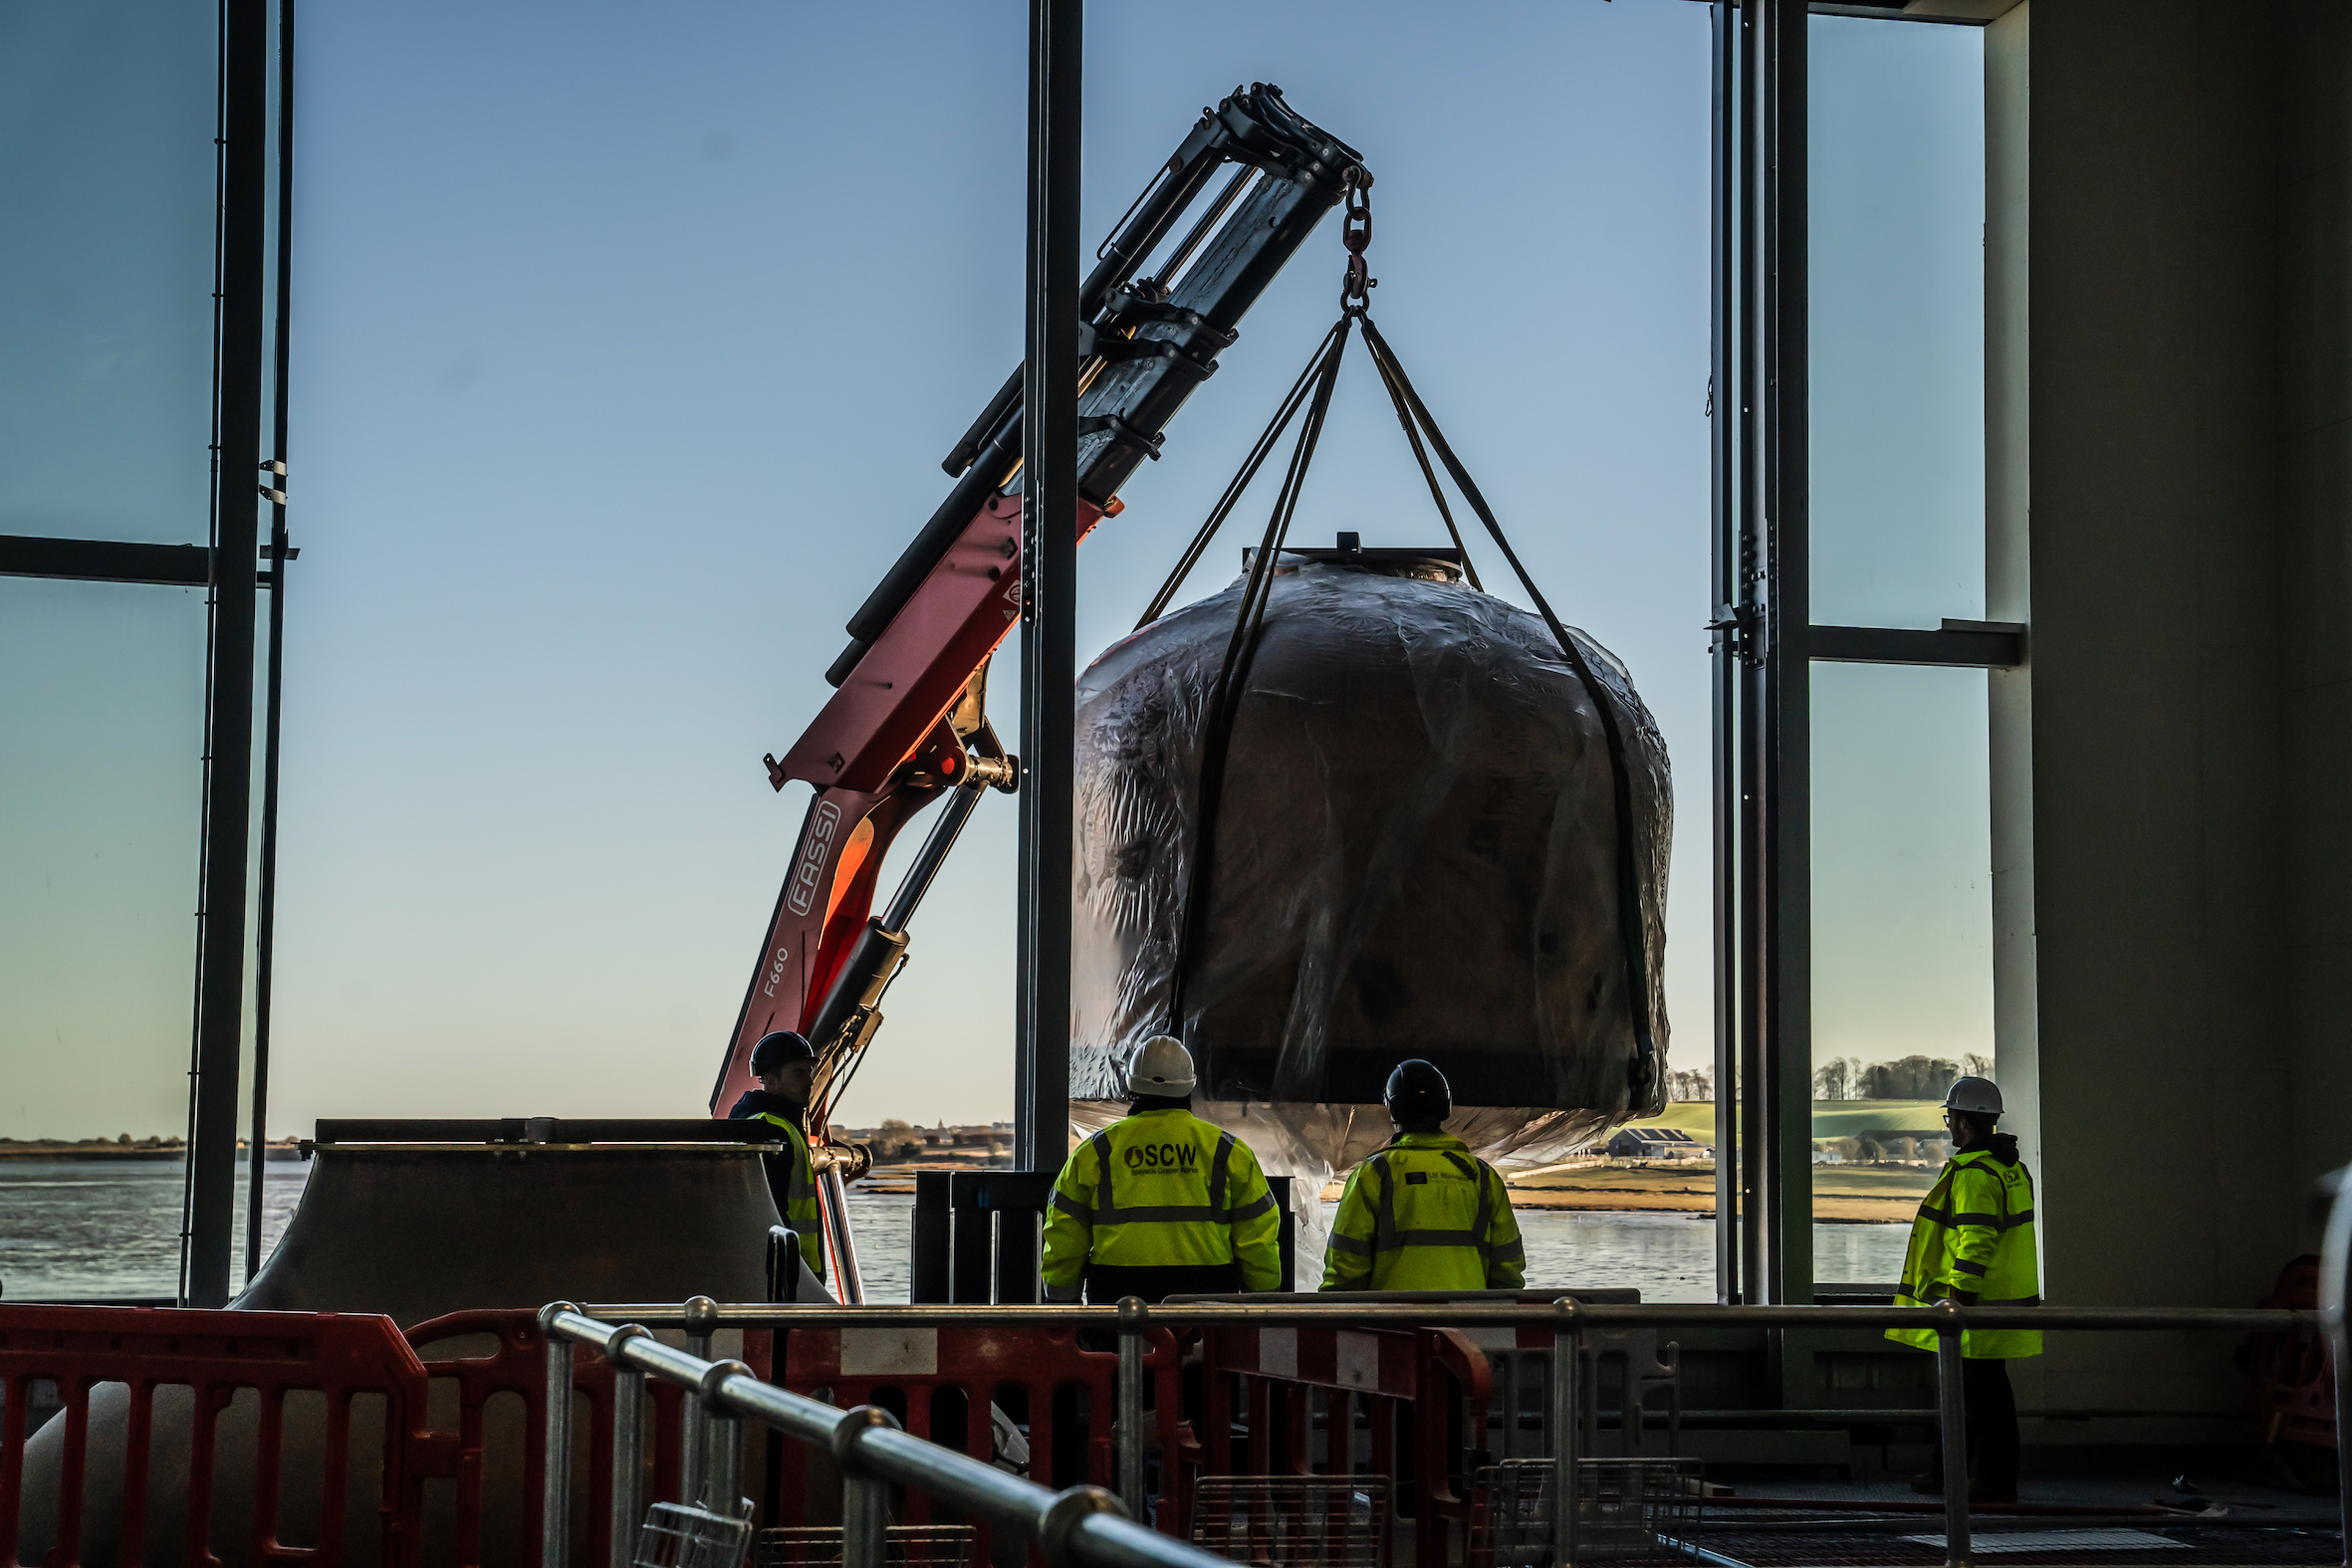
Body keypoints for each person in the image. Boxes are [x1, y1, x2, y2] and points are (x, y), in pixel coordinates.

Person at [1888, 1074, 2040, 1502]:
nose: (1948, 1126)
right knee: (1972, 1393)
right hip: (2001, 1303)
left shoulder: (1975, 1173)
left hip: (1975, 1304)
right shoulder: (2010, 1168)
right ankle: (1949, 1471)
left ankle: (1992, 1480)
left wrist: (1959, 1297)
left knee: (1982, 1399)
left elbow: (1976, 1239)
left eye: (1949, 1118)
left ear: (1961, 1121)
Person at [1041, 1036, 1283, 1304]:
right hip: (1208, 1299)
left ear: (1131, 1086)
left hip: (1117, 1301)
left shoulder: (1095, 1152)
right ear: (1190, 1086)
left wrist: (1062, 1305)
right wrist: (1262, 1298)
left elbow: (1065, 1234)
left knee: (1117, 1349)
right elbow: (1257, 1236)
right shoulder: (1227, 1151)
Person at [1321, 1059, 1525, 1291]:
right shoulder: (1482, 1175)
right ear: (1445, 1105)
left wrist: (1335, 1310)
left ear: (1392, 1109)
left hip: (1393, 1323)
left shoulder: (1375, 1173)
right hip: (1468, 1319)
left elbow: (1346, 1262)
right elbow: (1508, 1267)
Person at [727, 1029, 826, 1287]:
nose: (809, 1081)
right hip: (785, 1274)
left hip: (793, 1270)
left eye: (809, 1072)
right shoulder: (771, 1131)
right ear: (771, 1081)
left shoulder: (779, 1123)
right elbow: (768, 1209)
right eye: (798, 1073)